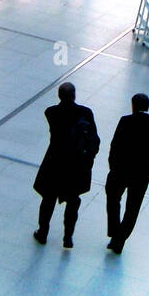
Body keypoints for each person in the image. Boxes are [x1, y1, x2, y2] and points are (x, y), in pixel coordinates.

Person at [32, 81, 100, 249]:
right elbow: (95, 139)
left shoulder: (51, 112)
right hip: (75, 165)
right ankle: (68, 236)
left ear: (59, 96)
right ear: (74, 95)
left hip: (55, 162)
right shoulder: (85, 113)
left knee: (48, 199)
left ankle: (43, 231)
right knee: (72, 201)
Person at [105, 93, 149, 254]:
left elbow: (115, 145)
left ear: (133, 105)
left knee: (113, 199)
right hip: (141, 174)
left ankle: (114, 231)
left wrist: (113, 166)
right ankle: (120, 239)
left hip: (121, 170)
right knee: (132, 208)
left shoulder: (125, 121)